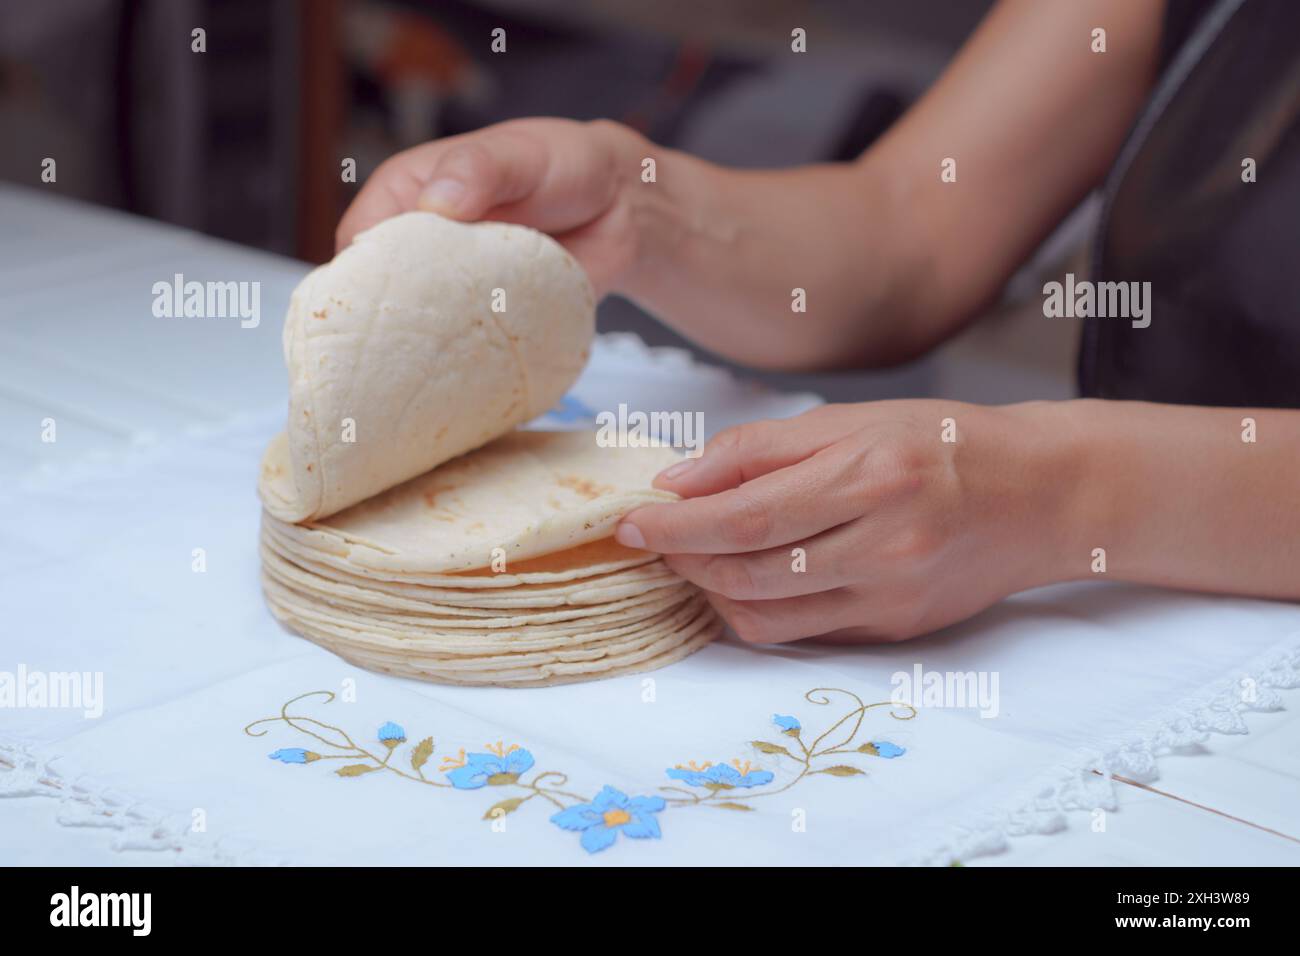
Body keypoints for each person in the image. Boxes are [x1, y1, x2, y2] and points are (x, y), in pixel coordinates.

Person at [337, 0, 1299, 644]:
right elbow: (913, 229)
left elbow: (1061, 484)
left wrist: (1067, 492)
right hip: (1123, 619)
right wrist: (636, 203)